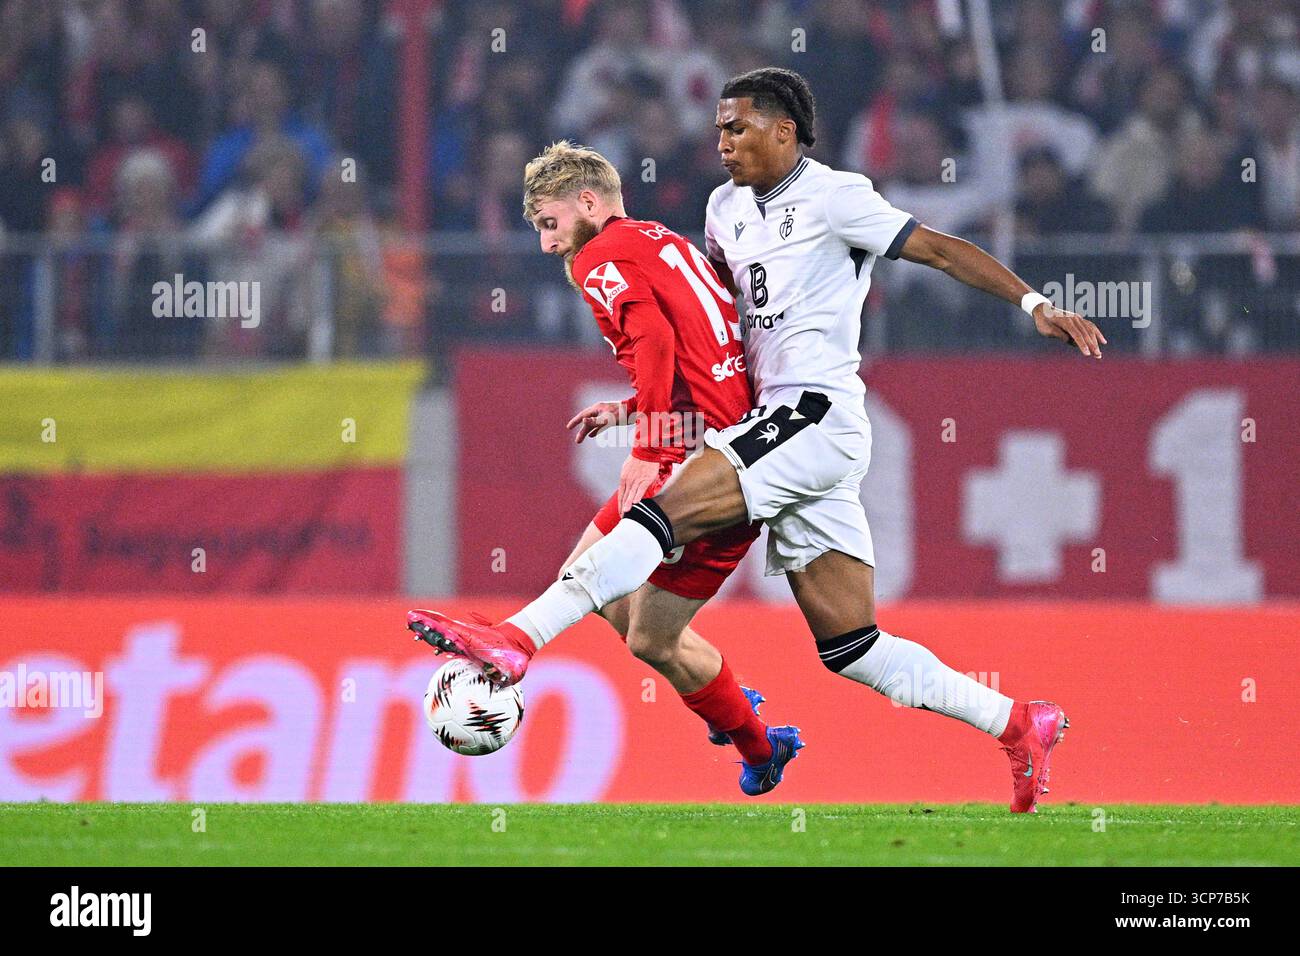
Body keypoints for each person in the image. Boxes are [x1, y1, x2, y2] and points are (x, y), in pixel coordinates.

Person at [412, 68, 1106, 813]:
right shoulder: (722, 210)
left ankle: (518, 638)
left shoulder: (837, 197)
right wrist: (640, 405)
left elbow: (935, 249)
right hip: (772, 427)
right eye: (716, 129)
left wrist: (1033, 302)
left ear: (784, 130)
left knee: (659, 513)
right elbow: (709, 321)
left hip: (812, 410)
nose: (722, 143)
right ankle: (1018, 724)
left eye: (736, 128)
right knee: (853, 648)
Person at [410, 141, 803, 795]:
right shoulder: (658, 241)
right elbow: (700, 343)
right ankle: (758, 743)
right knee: (647, 634)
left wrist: (649, 450)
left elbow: (652, 340)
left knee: (589, 580)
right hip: (738, 445)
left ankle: (513, 641)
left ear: (587, 203)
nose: (546, 244)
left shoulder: (600, 253)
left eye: (548, 223)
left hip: (703, 457)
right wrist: (627, 408)